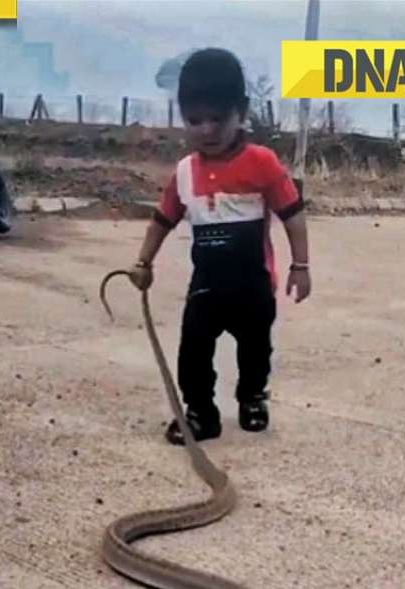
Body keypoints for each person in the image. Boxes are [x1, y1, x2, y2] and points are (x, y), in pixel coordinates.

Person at [129, 47, 310, 445]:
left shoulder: (262, 163)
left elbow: (293, 215)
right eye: (195, 120)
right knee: (193, 351)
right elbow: (162, 220)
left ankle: (252, 399)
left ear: (240, 112)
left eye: (217, 119)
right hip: (206, 286)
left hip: (253, 286)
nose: (206, 130)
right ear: (182, 116)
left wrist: (301, 266)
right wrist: (143, 263)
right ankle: (200, 414)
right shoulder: (184, 173)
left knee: (255, 351)